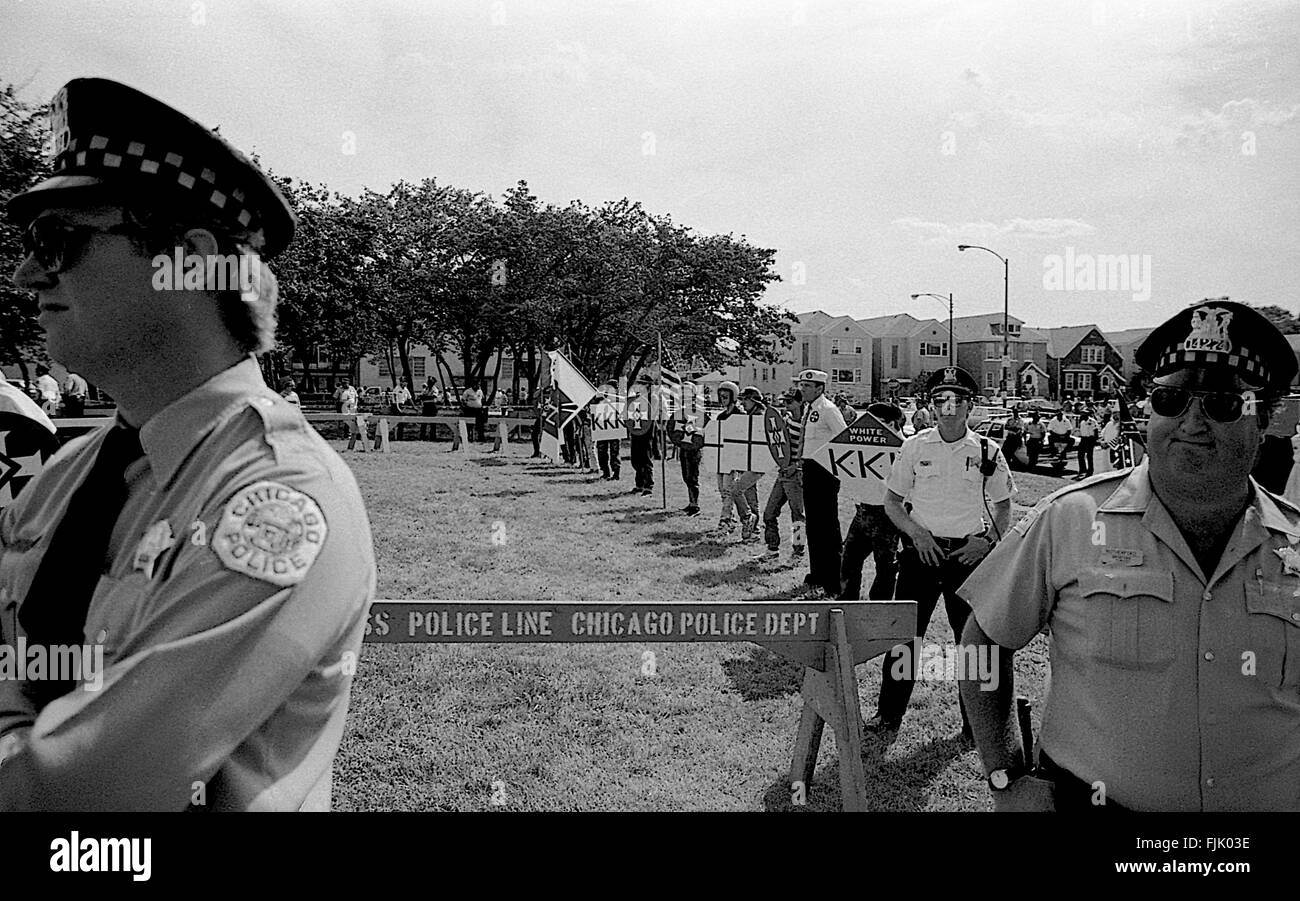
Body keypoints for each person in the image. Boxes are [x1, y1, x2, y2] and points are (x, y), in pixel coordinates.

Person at [0, 77, 375, 810]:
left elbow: (81, 789)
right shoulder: (61, 479)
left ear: (192, 260)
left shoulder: (282, 500)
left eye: (58, 241)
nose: (24, 273)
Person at [960, 300, 1300, 812]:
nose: (1192, 421)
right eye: (1170, 399)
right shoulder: (1070, 520)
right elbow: (982, 640)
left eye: (1225, 404)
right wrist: (1006, 777)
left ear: (1269, 418)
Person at [868, 366, 1014, 740]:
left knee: (971, 644)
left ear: (970, 406)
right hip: (922, 554)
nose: (948, 408)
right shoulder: (914, 446)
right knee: (905, 637)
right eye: (940, 400)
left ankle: (975, 725)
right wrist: (917, 535)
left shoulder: (987, 450)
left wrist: (986, 542)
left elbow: (1002, 505)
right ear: (931, 406)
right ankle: (888, 716)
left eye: (956, 400)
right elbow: (893, 502)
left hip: (968, 557)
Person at [839, 402, 905, 600]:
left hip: (888, 514)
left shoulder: (905, 449)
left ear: (893, 423)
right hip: (864, 509)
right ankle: (847, 604)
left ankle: (878, 608)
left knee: (885, 566)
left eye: (878, 423)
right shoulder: (867, 443)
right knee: (849, 561)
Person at [797, 369, 849, 599]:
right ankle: (817, 573)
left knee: (827, 527)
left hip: (825, 472)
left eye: (807, 386)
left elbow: (843, 438)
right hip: (810, 468)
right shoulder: (809, 410)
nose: (803, 389)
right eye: (802, 385)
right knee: (814, 526)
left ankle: (833, 579)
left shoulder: (828, 410)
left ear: (819, 388)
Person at [761, 387, 806, 563]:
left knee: (797, 516)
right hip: (783, 473)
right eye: (784, 402)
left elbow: (809, 451)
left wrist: (795, 466)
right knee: (769, 513)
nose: (786, 405)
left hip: (796, 475)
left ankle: (798, 551)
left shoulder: (806, 424)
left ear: (800, 402)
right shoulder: (785, 420)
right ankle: (772, 549)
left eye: (789, 402)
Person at [730, 387, 767, 541]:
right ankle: (754, 532)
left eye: (745, 399)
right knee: (751, 498)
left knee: (736, 490)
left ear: (754, 400)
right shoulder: (750, 416)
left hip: (757, 463)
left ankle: (747, 518)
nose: (742, 403)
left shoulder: (759, 417)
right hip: (748, 461)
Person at [709, 381, 743, 536]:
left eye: (725, 396)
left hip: (733, 458)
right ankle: (731, 519)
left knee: (729, 490)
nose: (722, 399)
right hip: (720, 457)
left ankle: (725, 521)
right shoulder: (721, 416)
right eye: (720, 396)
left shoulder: (740, 415)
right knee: (722, 490)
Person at [671, 381, 704, 515]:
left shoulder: (697, 410)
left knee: (692, 476)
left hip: (693, 448)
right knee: (686, 476)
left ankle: (695, 505)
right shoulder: (681, 411)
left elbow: (700, 430)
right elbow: (675, 428)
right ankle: (691, 502)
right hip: (684, 447)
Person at [628, 374, 656, 497]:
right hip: (636, 430)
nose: (639, 386)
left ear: (648, 386)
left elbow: (652, 414)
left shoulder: (653, 398)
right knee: (636, 458)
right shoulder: (635, 398)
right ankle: (639, 484)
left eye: (642, 384)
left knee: (645, 458)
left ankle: (648, 485)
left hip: (647, 431)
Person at [594, 384, 622, 481]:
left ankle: (616, 472)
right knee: (602, 451)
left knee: (614, 452)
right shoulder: (599, 402)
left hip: (614, 430)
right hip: (602, 429)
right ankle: (605, 471)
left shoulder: (618, 402)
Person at [334, 377, 361, 450]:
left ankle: (350, 434)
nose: (344, 385)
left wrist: (356, 404)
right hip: (342, 406)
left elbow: (356, 397)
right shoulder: (339, 389)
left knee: (351, 420)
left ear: (348, 383)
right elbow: (335, 398)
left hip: (352, 406)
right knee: (341, 421)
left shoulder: (352, 389)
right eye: (343, 383)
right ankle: (340, 435)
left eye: (345, 383)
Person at [1074, 407, 1098, 479]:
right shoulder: (1082, 422)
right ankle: (1082, 470)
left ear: (1087, 415)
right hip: (1083, 439)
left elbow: (1095, 430)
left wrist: (1095, 440)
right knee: (1080, 455)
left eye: (1083, 414)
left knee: (1089, 456)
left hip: (1090, 439)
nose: (1082, 415)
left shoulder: (1092, 421)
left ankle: (1090, 471)